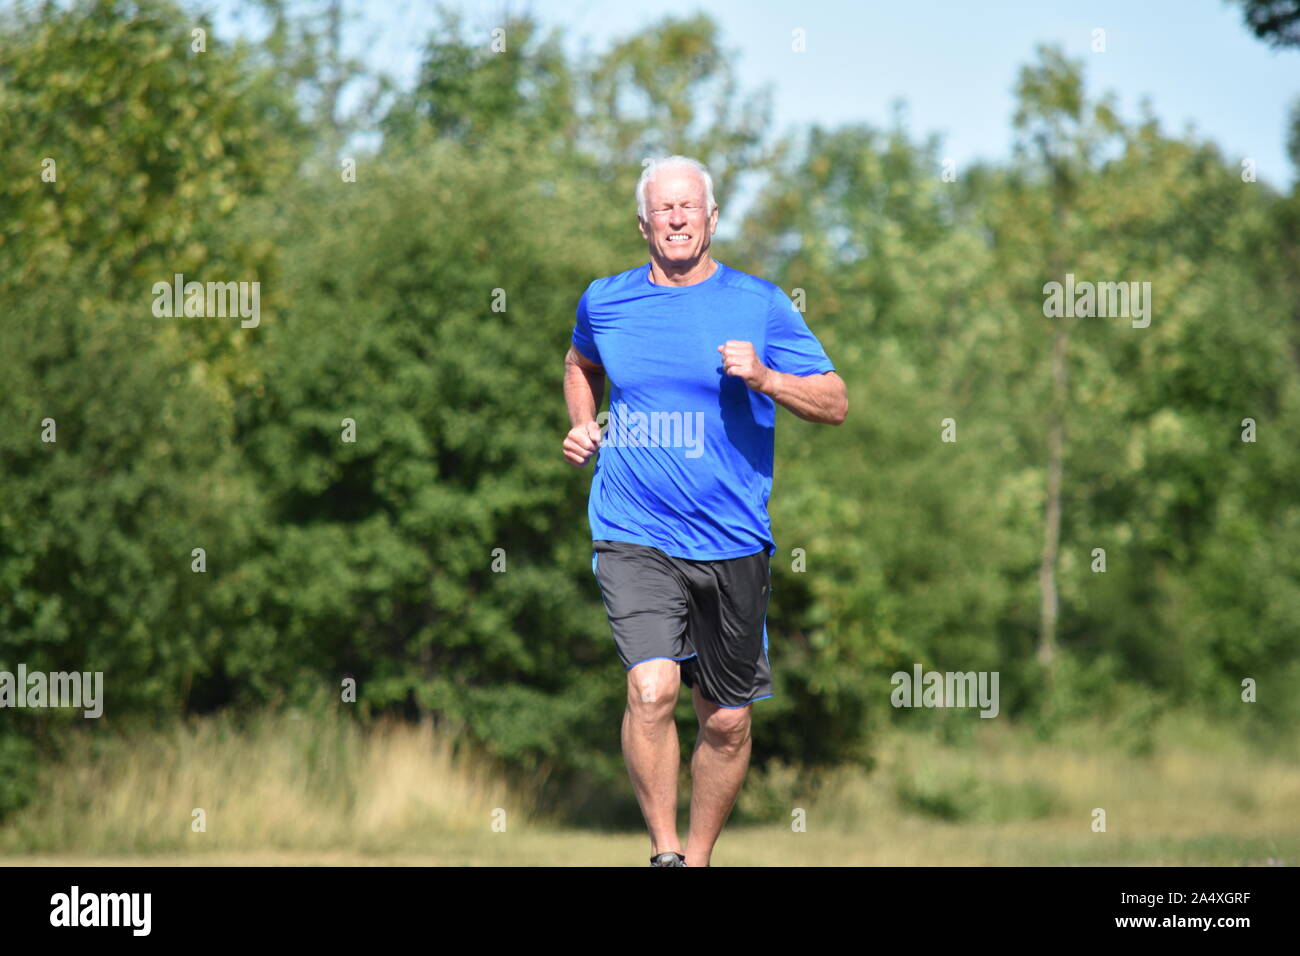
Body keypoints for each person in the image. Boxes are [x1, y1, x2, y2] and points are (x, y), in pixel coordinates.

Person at [562, 155, 847, 867]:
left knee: (726, 721)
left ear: (712, 218)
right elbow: (579, 364)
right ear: (643, 224)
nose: (677, 218)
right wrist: (583, 423)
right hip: (632, 528)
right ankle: (664, 855)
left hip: (732, 536)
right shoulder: (605, 301)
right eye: (663, 208)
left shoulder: (761, 303)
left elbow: (835, 402)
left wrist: (767, 377)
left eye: (689, 206)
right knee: (651, 687)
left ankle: (698, 856)